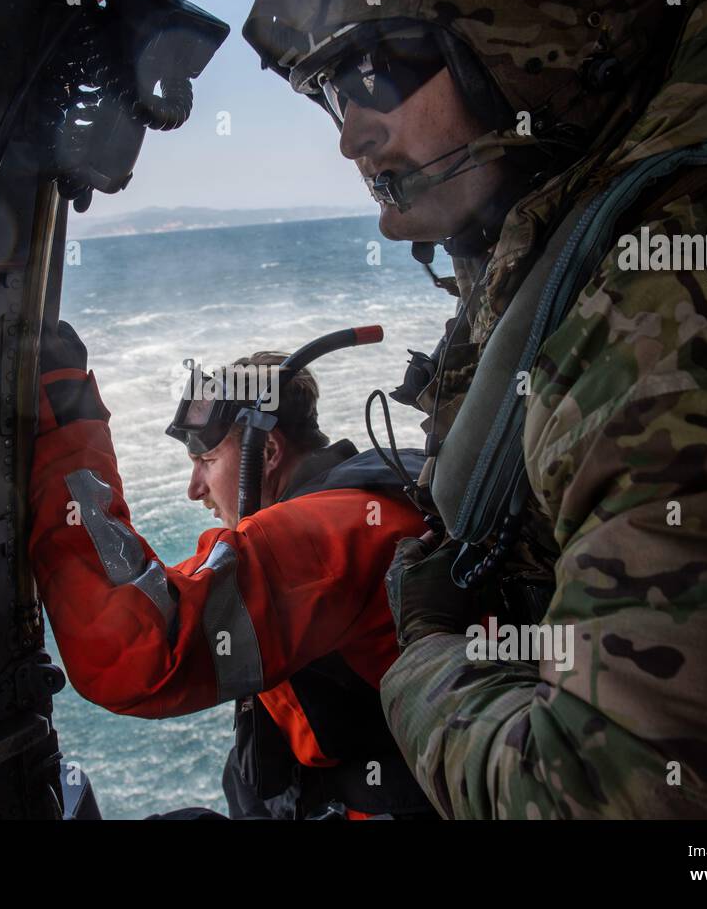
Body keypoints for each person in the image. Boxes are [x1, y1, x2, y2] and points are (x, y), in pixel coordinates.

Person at [241, 0, 707, 817]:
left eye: (373, 69)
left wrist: (426, 656)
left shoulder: (688, 305)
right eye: (330, 92)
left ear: (535, 39)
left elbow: (620, 799)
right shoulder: (612, 244)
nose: (351, 132)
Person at [28, 325, 435, 818]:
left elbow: (133, 654)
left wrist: (65, 426)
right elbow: (197, 591)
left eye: (205, 460)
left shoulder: (319, 539)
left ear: (267, 453)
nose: (194, 489)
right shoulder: (377, 491)